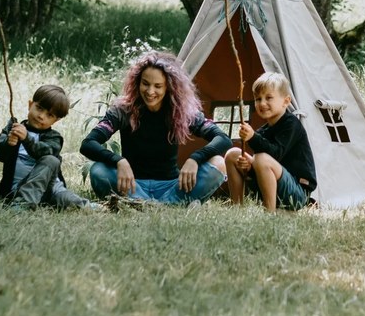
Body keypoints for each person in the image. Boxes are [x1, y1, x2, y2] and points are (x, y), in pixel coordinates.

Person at [81, 51, 231, 206]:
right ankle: (170, 206)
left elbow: (222, 139)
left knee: (218, 163)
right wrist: (119, 160)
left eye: (158, 86)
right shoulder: (123, 111)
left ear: (169, 87)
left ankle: (145, 205)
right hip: (132, 185)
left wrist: (196, 158)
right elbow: (88, 143)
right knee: (98, 170)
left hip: (172, 187)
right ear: (137, 82)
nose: (150, 91)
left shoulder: (182, 112)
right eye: (145, 83)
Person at [0, 84, 99, 211]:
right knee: (50, 164)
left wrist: (26, 139)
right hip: (16, 191)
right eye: (39, 108)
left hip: (50, 192)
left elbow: (45, 153)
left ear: (56, 120)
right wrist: (8, 144)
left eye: (49, 115)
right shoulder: (13, 128)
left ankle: (98, 207)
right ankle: (22, 203)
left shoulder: (54, 138)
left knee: (68, 199)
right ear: (30, 105)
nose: (41, 116)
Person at [224, 72, 317, 211]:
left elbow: (275, 154)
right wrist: (248, 168)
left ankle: (269, 213)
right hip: (272, 186)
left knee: (261, 158)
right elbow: (262, 167)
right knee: (233, 154)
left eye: (269, 98)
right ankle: (237, 208)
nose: (262, 103)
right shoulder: (263, 131)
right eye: (258, 99)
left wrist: (253, 137)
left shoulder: (291, 124)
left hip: (297, 194)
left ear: (286, 101)